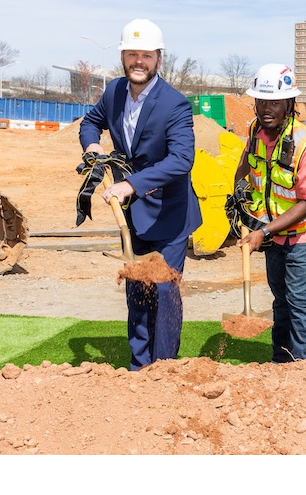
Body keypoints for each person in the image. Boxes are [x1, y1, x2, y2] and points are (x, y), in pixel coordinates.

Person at [79, 18, 202, 371]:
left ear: (158, 59)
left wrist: (131, 184)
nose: (138, 61)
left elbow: (181, 159)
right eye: (132, 53)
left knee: (163, 290)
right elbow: (91, 122)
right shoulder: (114, 92)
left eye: (146, 55)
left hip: (169, 214)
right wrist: (92, 147)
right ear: (122, 56)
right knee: (137, 289)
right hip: (132, 215)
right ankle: (139, 366)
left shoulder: (174, 105)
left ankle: (163, 368)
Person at [232, 63, 306, 363]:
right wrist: (238, 194)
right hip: (272, 232)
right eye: (261, 101)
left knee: (299, 300)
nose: (266, 109)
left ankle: (305, 368)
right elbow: (245, 164)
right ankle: (281, 362)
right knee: (281, 299)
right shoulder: (255, 130)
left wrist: (261, 232)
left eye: (274, 102)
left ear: (289, 104)